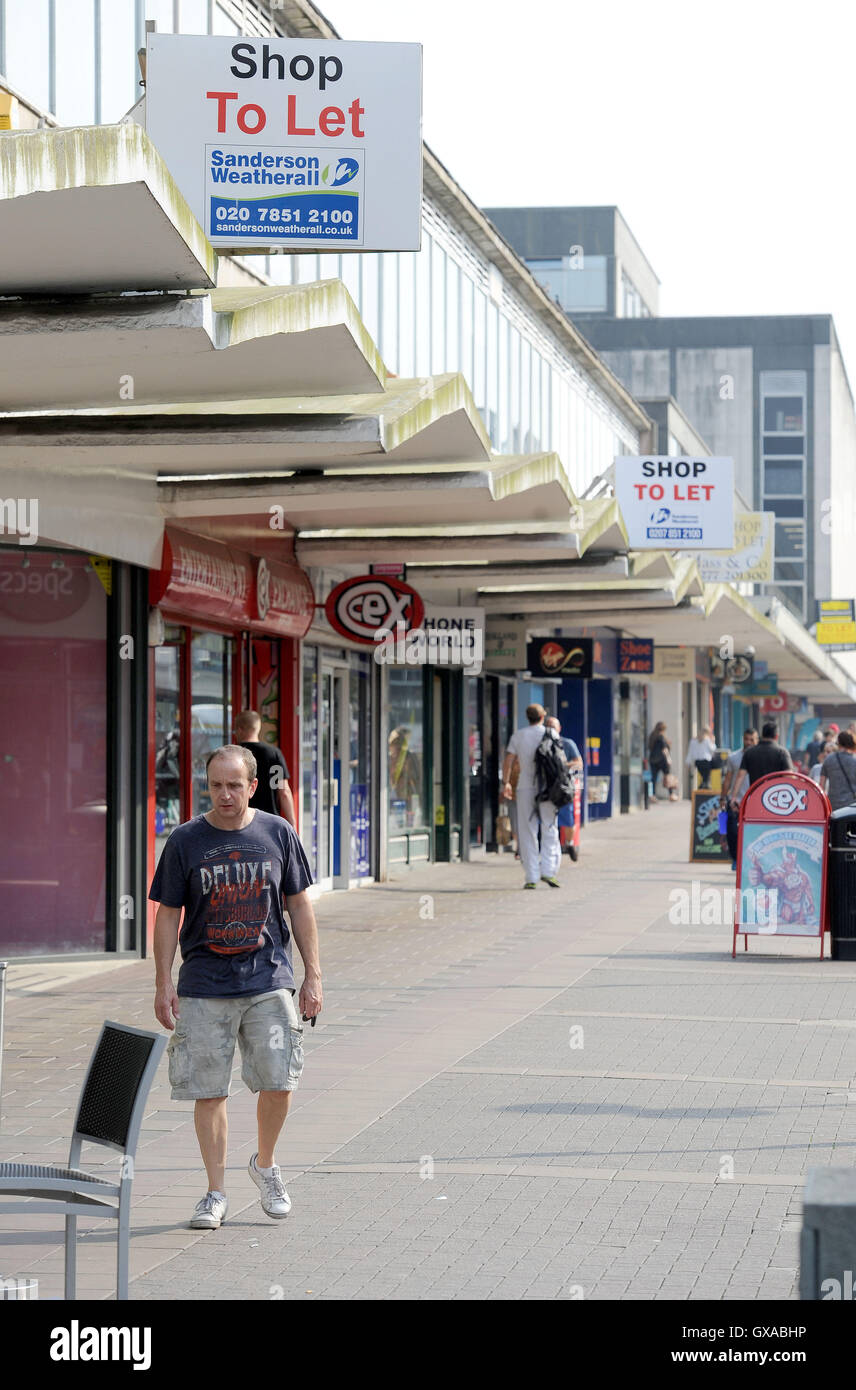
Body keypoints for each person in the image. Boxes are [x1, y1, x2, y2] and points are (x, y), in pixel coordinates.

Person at [150, 744, 322, 1231]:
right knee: (209, 1092)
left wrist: (314, 974)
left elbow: (299, 906)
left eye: (234, 785)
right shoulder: (186, 840)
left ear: (252, 786)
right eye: (215, 785)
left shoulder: (277, 832)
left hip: (268, 978)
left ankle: (265, 1165)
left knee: (280, 1080)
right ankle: (215, 1191)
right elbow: (167, 913)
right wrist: (163, 981)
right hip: (204, 985)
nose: (224, 795)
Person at [501, 704, 562, 888]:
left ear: (527, 717)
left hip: (525, 787)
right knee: (549, 828)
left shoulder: (519, 736)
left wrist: (506, 783)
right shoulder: (552, 734)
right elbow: (561, 761)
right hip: (548, 788)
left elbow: (509, 760)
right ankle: (549, 872)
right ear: (543, 716)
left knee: (527, 832)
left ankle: (531, 877)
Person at [234, 709, 295, 826]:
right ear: (258, 728)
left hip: (240, 821)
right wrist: (292, 823)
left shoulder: (233, 754)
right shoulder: (273, 754)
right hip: (269, 821)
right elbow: (284, 791)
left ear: (240, 729)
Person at [720, 727, 759, 870]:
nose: (748, 742)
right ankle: (736, 859)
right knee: (733, 832)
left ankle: (750, 861)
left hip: (754, 802)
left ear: (757, 740)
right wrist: (723, 797)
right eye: (746, 739)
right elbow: (728, 779)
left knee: (752, 833)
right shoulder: (734, 757)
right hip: (736, 801)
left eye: (752, 740)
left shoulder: (760, 757)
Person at [732, 721, 793, 799]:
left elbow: (740, 776)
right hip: (777, 799)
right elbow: (789, 777)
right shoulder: (782, 752)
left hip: (755, 797)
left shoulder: (749, 752)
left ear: (762, 735)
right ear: (776, 736)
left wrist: (733, 797)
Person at [821, 730, 856, 810]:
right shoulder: (854, 760)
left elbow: (821, 784)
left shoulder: (829, 759)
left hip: (833, 804)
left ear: (839, 742)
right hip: (852, 804)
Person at [647, 722, 679, 801]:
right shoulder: (661, 737)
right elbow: (664, 749)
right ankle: (671, 794)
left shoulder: (652, 736)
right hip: (662, 760)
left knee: (653, 778)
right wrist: (668, 758)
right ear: (663, 730)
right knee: (668, 777)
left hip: (653, 760)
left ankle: (651, 795)